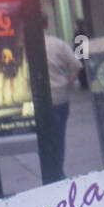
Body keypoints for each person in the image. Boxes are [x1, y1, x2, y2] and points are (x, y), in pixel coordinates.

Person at [43, 12, 82, 177]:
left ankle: (51, 171)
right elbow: (77, 66)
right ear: (47, 24)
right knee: (59, 138)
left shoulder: (26, 48)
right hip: (60, 98)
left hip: (39, 103)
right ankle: (58, 171)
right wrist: (67, 83)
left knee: (44, 140)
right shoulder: (58, 44)